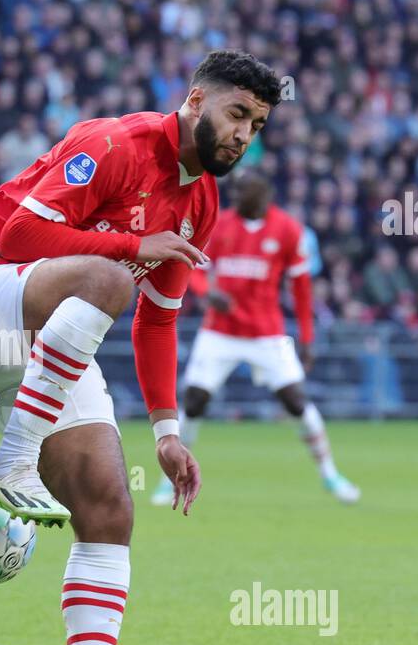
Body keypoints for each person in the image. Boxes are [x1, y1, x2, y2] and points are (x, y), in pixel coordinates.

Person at [0, 49, 281, 645]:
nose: (245, 134)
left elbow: (159, 321)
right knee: (110, 279)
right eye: (237, 113)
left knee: (109, 508)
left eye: (258, 124)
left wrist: (168, 431)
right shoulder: (112, 144)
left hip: (55, 342)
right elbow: (21, 236)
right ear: (194, 101)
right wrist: (132, 246)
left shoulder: (203, 201)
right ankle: (13, 460)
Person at [152, 170, 360, 505]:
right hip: (220, 331)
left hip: (267, 333)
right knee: (193, 401)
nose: (236, 195)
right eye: (235, 189)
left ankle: (330, 474)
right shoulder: (220, 224)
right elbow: (194, 269)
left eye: (243, 190)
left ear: (263, 194)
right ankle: (171, 479)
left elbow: (302, 289)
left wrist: (306, 339)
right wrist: (208, 293)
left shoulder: (288, 230)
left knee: (296, 401)